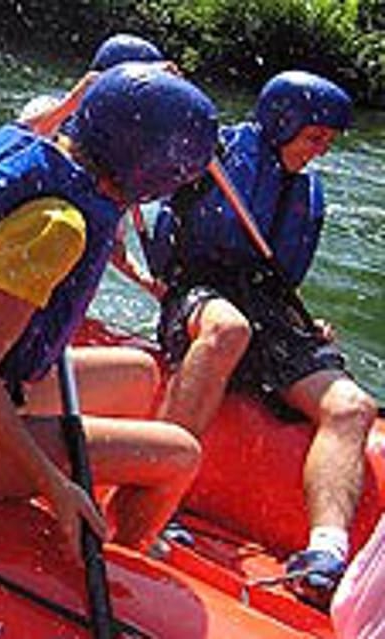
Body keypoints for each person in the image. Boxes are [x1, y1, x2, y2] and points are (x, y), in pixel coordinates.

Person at [0, 63, 219, 561]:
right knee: (180, 456)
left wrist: (131, 86)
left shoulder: (29, 145)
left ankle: (101, 506)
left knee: (138, 375)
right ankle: (121, 566)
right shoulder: (58, 226)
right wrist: (53, 484)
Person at [149, 70, 378, 608]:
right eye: (315, 138)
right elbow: (156, 168)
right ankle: (158, 496)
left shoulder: (305, 189)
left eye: (328, 141)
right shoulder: (210, 153)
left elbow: (278, 280)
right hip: (198, 292)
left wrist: (303, 331)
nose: (321, 152)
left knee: (351, 406)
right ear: (284, 122)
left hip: (269, 309)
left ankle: (326, 554)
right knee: (227, 329)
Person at [17, 33, 168, 298]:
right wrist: (74, 101)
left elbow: (114, 246)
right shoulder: (52, 109)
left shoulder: (125, 152)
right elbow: (18, 138)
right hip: (20, 246)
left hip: (59, 267)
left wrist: (148, 284)